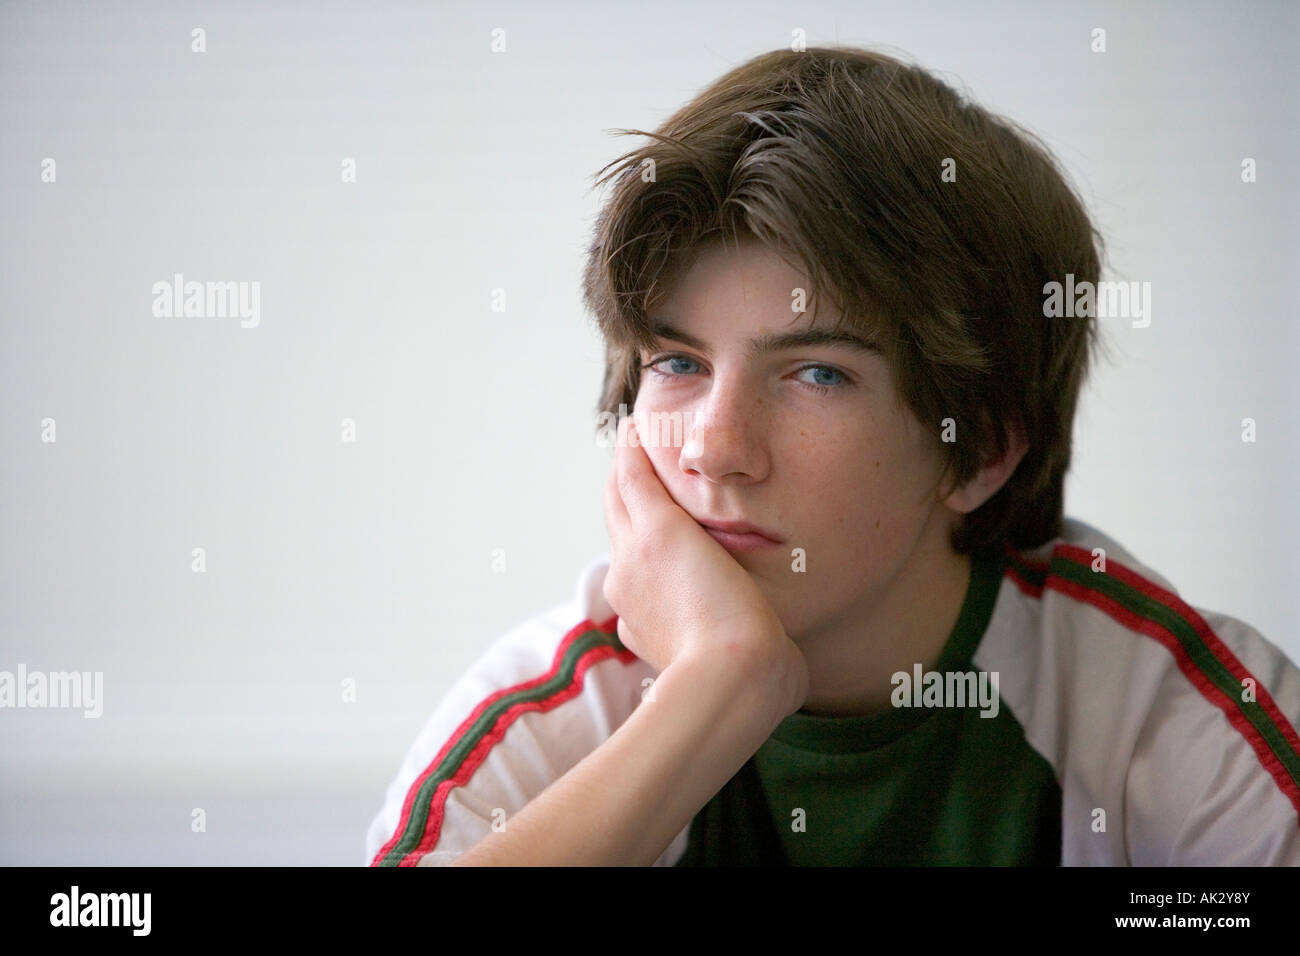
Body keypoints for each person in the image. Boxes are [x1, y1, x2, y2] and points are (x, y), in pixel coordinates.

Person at [365, 45, 1300, 866]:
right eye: (679, 362)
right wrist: (719, 687)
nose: (716, 449)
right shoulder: (559, 706)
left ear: (980, 449)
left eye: (816, 374)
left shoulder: (1161, 710)